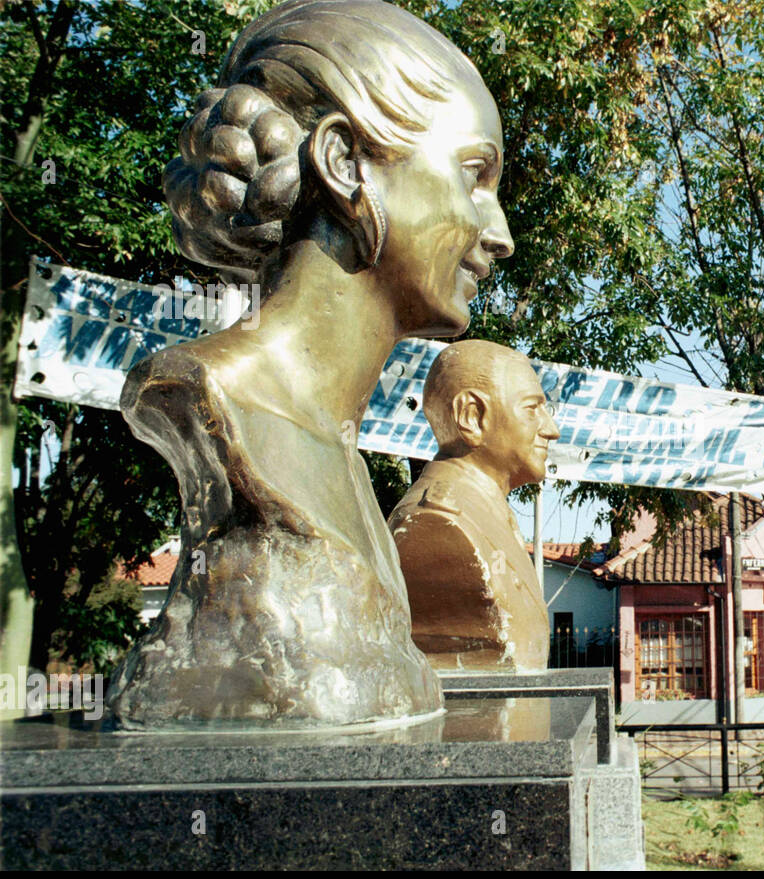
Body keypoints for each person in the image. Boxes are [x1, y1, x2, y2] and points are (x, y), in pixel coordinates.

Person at [109, 0, 511, 727]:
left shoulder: (340, 454)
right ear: (343, 165)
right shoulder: (215, 401)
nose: (501, 233)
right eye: (473, 175)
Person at [389, 340, 560, 672]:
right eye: (531, 408)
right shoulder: (435, 522)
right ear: (471, 416)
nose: (551, 430)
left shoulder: (486, 513)